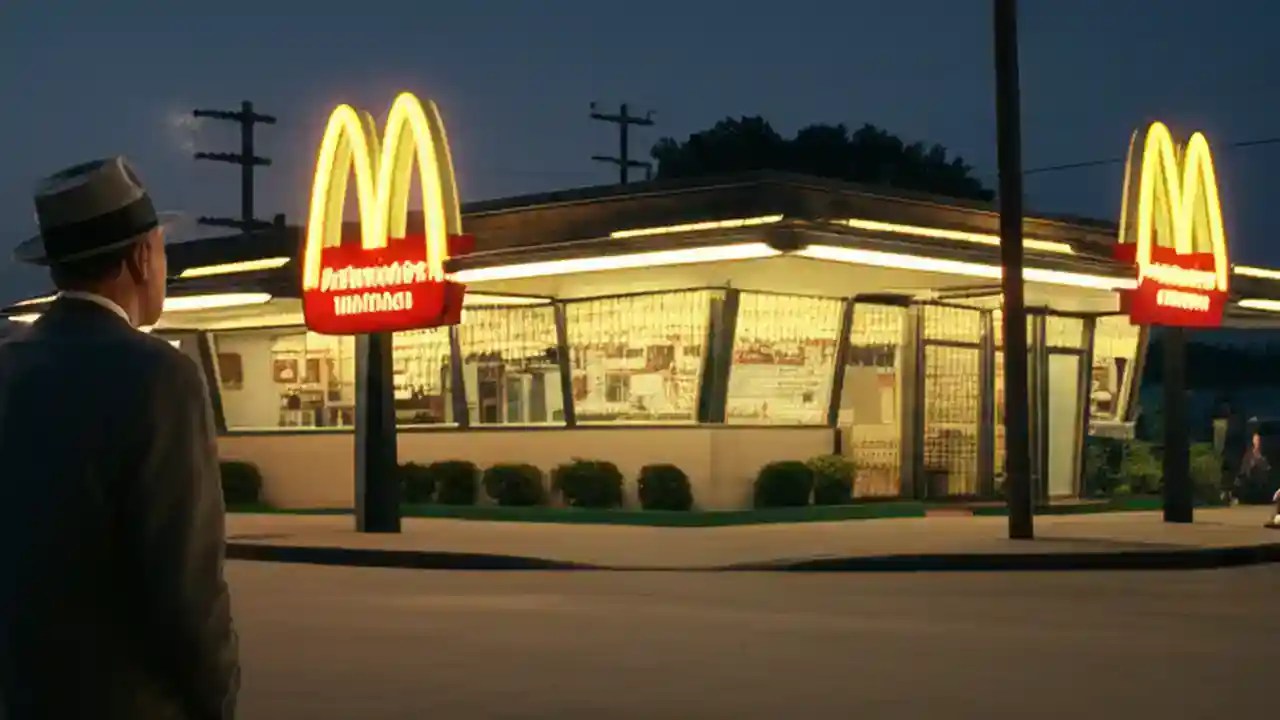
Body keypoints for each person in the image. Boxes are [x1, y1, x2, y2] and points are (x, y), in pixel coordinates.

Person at [0, 158, 240, 718]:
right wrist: (218, 700)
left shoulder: (11, 368)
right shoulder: (158, 375)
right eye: (162, 250)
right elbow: (187, 586)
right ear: (140, 257)